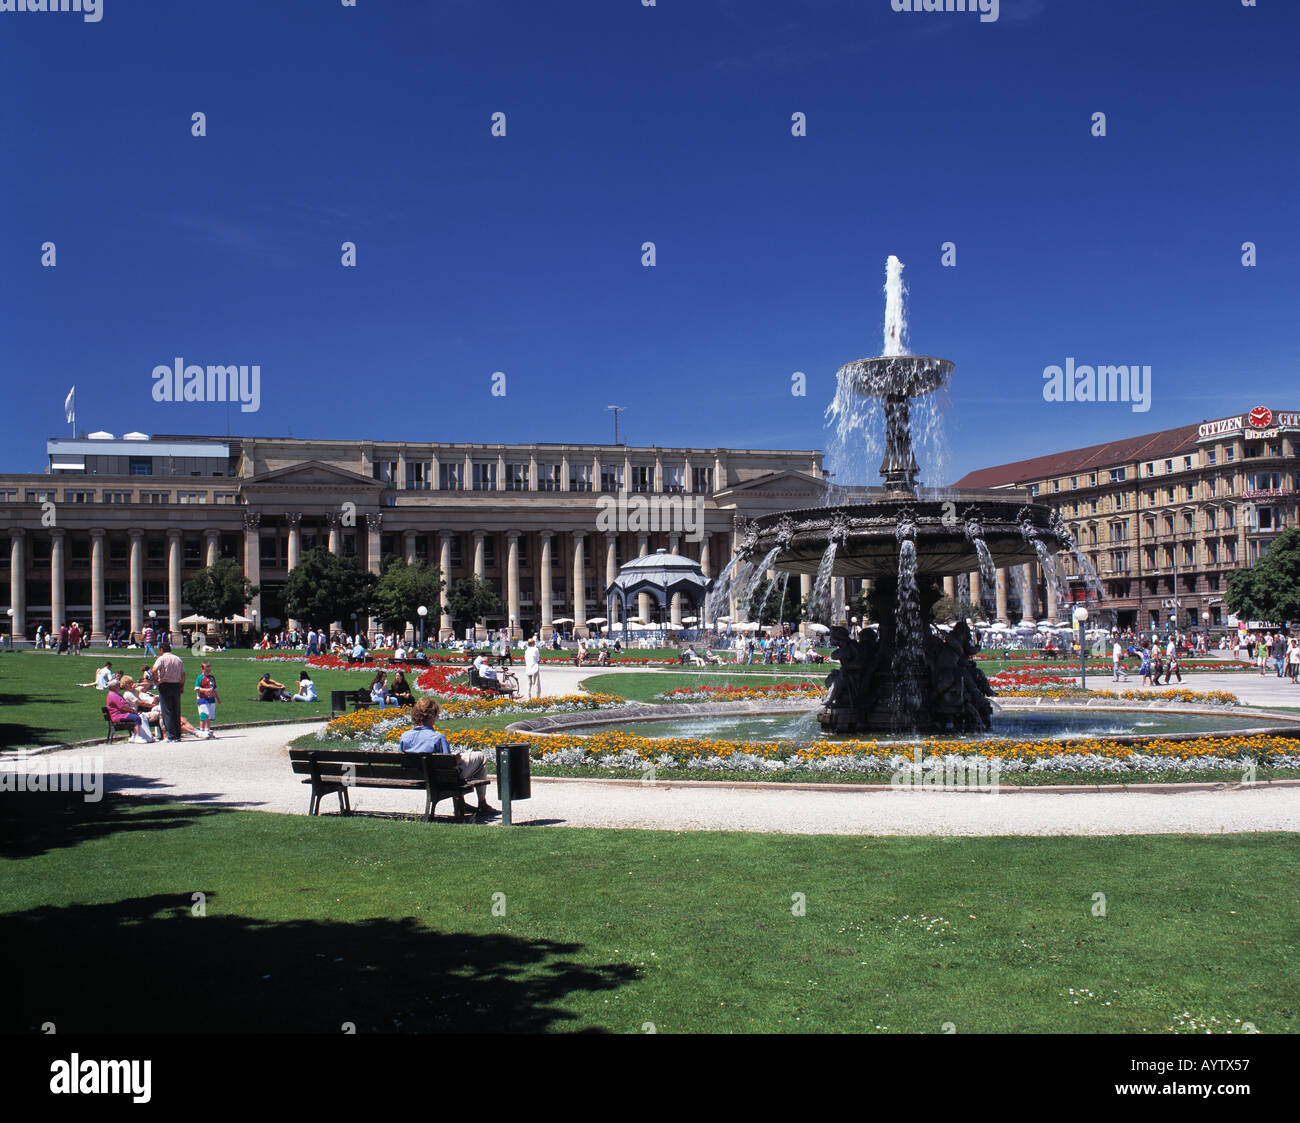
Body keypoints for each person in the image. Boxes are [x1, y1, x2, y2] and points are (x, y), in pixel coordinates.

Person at [398, 696, 497, 820]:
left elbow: (403, 764)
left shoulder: (404, 737)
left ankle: (463, 804)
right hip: (441, 779)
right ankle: (482, 804)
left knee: (459, 762)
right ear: (433, 716)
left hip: (418, 777)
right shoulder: (438, 738)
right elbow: (451, 768)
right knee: (480, 757)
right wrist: (457, 760)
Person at [151, 642, 186, 741]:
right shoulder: (178, 659)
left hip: (165, 684)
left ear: (161, 650)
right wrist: (182, 686)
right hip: (176, 685)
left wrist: (156, 681)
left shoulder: (161, 659)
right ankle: (177, 735)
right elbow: (183, 674)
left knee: (167, 710)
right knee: (176, 710)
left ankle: (170, 735)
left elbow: (154, 670)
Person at [195, 661, 219, 738]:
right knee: (204, 715)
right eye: (206, 669)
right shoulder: (200, 677)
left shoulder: (212, 678)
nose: (208, 671)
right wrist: (206, 690)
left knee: (209, 716)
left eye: (209, 669)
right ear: (202, 669)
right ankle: (202, 731)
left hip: (211, 699)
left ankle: (207, 730)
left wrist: (218, 698)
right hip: (202, 699)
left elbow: (214, 689)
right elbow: (197, 689)